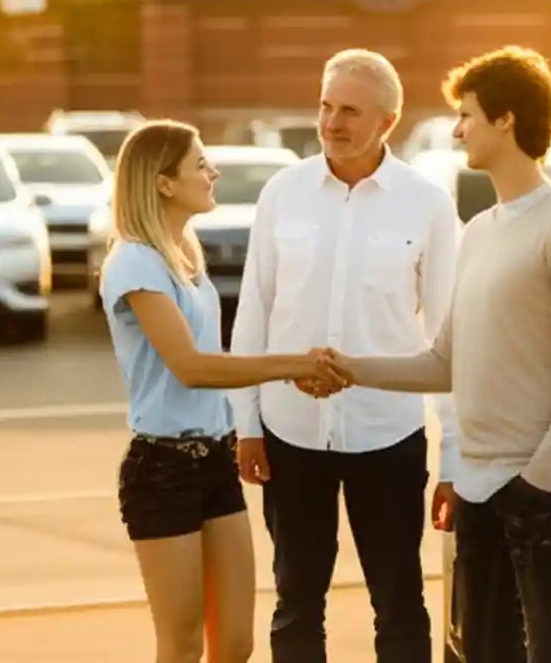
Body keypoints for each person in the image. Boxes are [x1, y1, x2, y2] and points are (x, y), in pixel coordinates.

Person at [320, 46, 551, 663]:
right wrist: (347, 368)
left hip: (543, 496)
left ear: (506, 120)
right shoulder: (481, 229)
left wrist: (536, 483)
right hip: (480, 496)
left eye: (468, 115)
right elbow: (444, 364)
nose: (458, 130)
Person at [228, 49, 459, 663]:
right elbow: (255, 309)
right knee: (295, 603)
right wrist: (247, 424)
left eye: (350, 110)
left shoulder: (429, 205)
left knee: (401, 601)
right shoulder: (283, 193)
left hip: (388, 437)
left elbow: (448, 342)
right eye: (326, 105)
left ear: (387, 121)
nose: (332, 122)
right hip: (289, 434)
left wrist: (456, 457)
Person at [99, 120, 347, 663]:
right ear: (164, 183)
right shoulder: (136, 262)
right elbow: (191, 366)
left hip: (213, 459)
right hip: (161, 470)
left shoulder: (182, 255)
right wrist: (292, 366)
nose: (213, 172)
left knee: (234, 644)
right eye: (200, 164)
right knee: (183, 643)